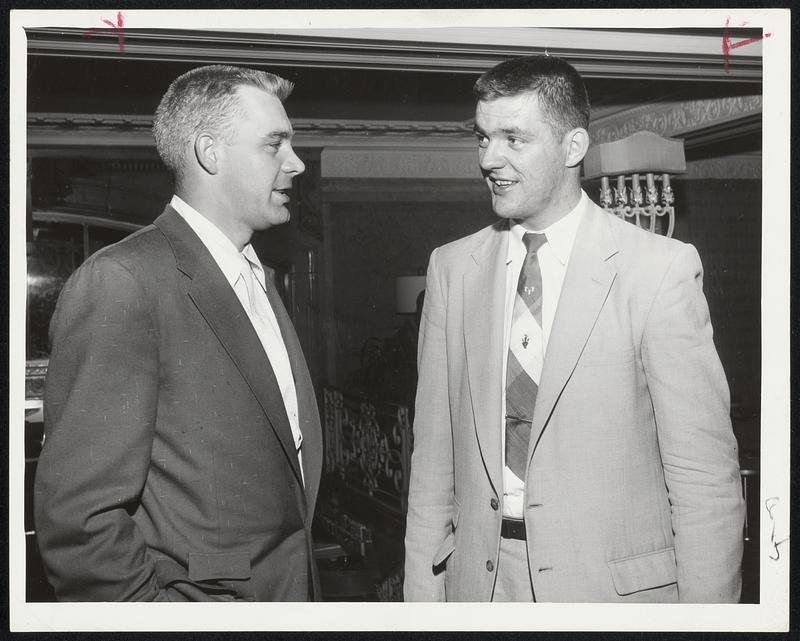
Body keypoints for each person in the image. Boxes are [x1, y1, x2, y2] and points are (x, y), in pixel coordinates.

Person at [403, 55, 745, 603]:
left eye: (513, 138)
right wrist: (422, 607)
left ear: (574, 147)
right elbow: (432, 468)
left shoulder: (658, 270)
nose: (489, 158)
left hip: (608, 597)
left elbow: (705, 486)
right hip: (478, 589)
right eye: (482, 137)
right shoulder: (451, 269)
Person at [34, 65, 322, 601]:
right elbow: (79, 524)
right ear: (210, 153)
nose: (296, 163)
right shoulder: (124, 280)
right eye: (274, 144)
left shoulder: (256, 277)